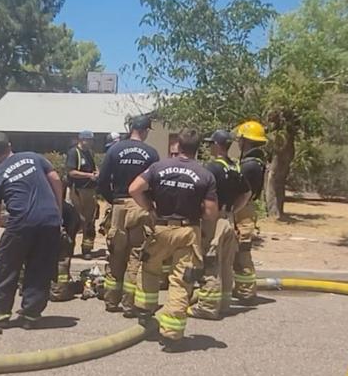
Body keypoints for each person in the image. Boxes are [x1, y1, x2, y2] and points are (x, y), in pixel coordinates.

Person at [128, 129, 218, 347]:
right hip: (188, 232)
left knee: (149, 270)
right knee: (181, 280)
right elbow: (210, 213)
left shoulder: (159, 167)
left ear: (178, 144)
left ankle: (145, 316)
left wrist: (149, 208)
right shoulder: (205, 175)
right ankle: (172, 334)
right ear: (199, 148)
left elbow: (134, 189)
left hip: (160, 228)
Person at [0, 133, 66, 325]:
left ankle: (0, 315)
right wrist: (57, 210)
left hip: (21, 223)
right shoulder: (33, 157)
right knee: (40, 267)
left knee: (6, 267)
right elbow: (55, 179)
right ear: (9, 145)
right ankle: (31, 314)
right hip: (50, 221)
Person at [96, 114, 159, 313]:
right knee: (136, 255)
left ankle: (111, 301)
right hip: (140, 207)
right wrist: (149, 205)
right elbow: (154, 184)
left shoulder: (115, 150)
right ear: (145, 130)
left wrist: (113, 200)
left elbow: (103, 181)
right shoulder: (151, 153)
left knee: (116, 253)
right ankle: (129, 303)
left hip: (119, 206)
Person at [190, 130, 251, 320]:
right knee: (226, 264)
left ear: (217, 145)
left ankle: (208, 307)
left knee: (211, 263)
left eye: (210, 144)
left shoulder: (212, 168)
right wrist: (232, 211)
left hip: (213, 221)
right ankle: (224, 303)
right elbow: (247, 193)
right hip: (229, 219)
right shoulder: (235, 167)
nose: (209, 147)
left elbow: (199, 192)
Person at [232, 120, 269, 303]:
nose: (238, 142)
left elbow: (244, 193)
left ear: (246, 141)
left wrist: (233, 211)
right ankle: (242, 289)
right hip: (245, 210)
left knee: (242, 252)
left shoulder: (249, 165)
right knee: (238, 251)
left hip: (243, 211)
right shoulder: (253, 162)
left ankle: (246, 292)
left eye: (240, 139)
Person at [65, 130, 99, 258]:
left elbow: (94, 168)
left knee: (89, 222)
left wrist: (96, 173)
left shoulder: (89, 153)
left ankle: (87, 250)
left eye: (91, 140)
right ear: (80, 139)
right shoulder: (74, 152)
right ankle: (68, 249)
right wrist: (89, 176)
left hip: (90, 191)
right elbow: (71, 172)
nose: (90, 142)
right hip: (78, 190)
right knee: (76, 220)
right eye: (87, 140)